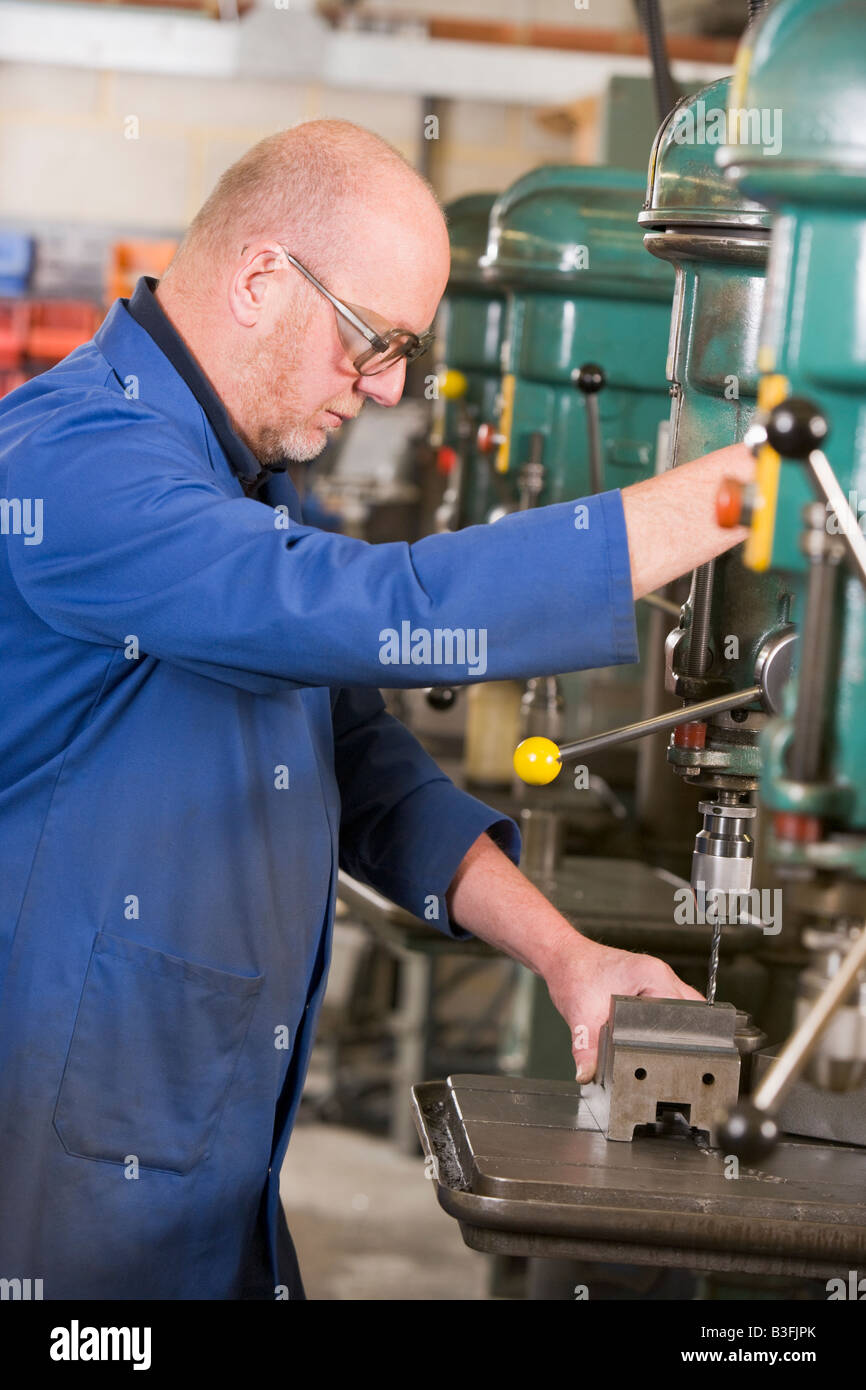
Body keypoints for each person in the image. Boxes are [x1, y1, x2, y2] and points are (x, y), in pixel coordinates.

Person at [0, 120, 755, 1300]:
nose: (395, 385)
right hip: (58, 1187)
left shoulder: (236, 477)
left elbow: (359, 762)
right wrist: (741, 488)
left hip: (207, 1153)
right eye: (374, 340)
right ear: (261, 277)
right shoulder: (72, 466)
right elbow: (378, 607)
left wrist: (565, 958)